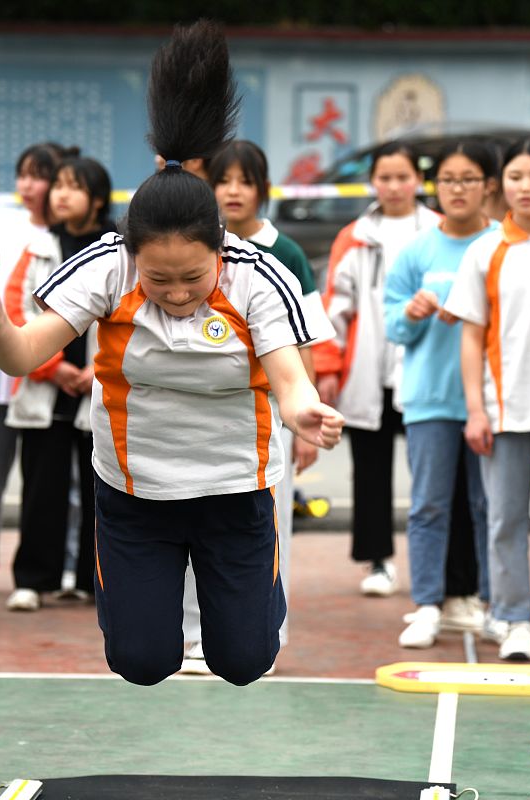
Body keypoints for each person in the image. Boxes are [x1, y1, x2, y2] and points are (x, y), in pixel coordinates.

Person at [0, 21, 343, 687]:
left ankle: (253, 595)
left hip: (235, 491)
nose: (178, 293)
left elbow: (288, 376)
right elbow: (22, 357)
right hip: (136, 493)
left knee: (245, 661)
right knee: (141, 663)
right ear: (134, 255)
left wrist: (306, 411)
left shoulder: (257, 275)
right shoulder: (105, 266)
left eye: (194, 278)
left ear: (220, 251)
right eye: (159, 280)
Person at [176, 139, 327, 674]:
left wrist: (306, 417)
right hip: (203, 421)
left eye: (246, 181)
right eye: (224, 180)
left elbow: (305, 343)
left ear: (263, 189)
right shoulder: (189, 248)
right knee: (193, 530)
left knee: (266, 532)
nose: (234, 191)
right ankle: (194, 639)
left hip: (269, 419)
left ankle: (266, 636)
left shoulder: (284, 253)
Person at [446, 136, 530, 661]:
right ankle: (515, 616)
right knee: (504, 520)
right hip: (502, 410)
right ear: (503, 185)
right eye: (517, 177)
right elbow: (472, 334)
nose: (527, 187)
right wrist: (476, 409)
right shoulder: (484, 250)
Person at [383, 140, 497, 649]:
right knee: (428, 505)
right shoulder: (418, 250)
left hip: (492, 400)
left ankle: (496, 605)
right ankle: (427, 605)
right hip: (429, 396)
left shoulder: (500, 245)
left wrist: (473, 312)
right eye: (448, 179)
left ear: (488, 186)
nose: (457, 189)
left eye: (468, 178)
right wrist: (411, 312)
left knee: (489, 506)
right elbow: (390, 322)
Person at [315, 141, 439, 596]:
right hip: (367, 370)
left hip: (424, 369)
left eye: (402, 177)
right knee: (370, 469)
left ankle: (435, 564)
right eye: (384, 177)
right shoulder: (355, 235)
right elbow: (335, 308)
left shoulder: (438, 231)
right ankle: (377, 561)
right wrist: (328, 365)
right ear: (373, 182)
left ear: (419, 181)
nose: (393, 186)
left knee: (432, 470)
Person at [2, 154, 112, 612]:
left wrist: (99, 371)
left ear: (99, 199)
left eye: (74, 186)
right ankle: (33, 579)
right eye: (59, 185)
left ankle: (94, 581)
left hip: (98, 393)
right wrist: (53, 368)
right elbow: (14, 311)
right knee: (39, 490)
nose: (60, 193)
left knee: (100, 493)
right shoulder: (41, 246)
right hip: (45, 391)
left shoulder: (116, 250)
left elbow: (125, 316)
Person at [0, 142, 65, 596]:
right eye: (22, 174)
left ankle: (68, 561)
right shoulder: (3, 228)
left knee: (54, 481)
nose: (27, 185)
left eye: (38, 175)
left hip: (44, 373)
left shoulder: (68, 239)